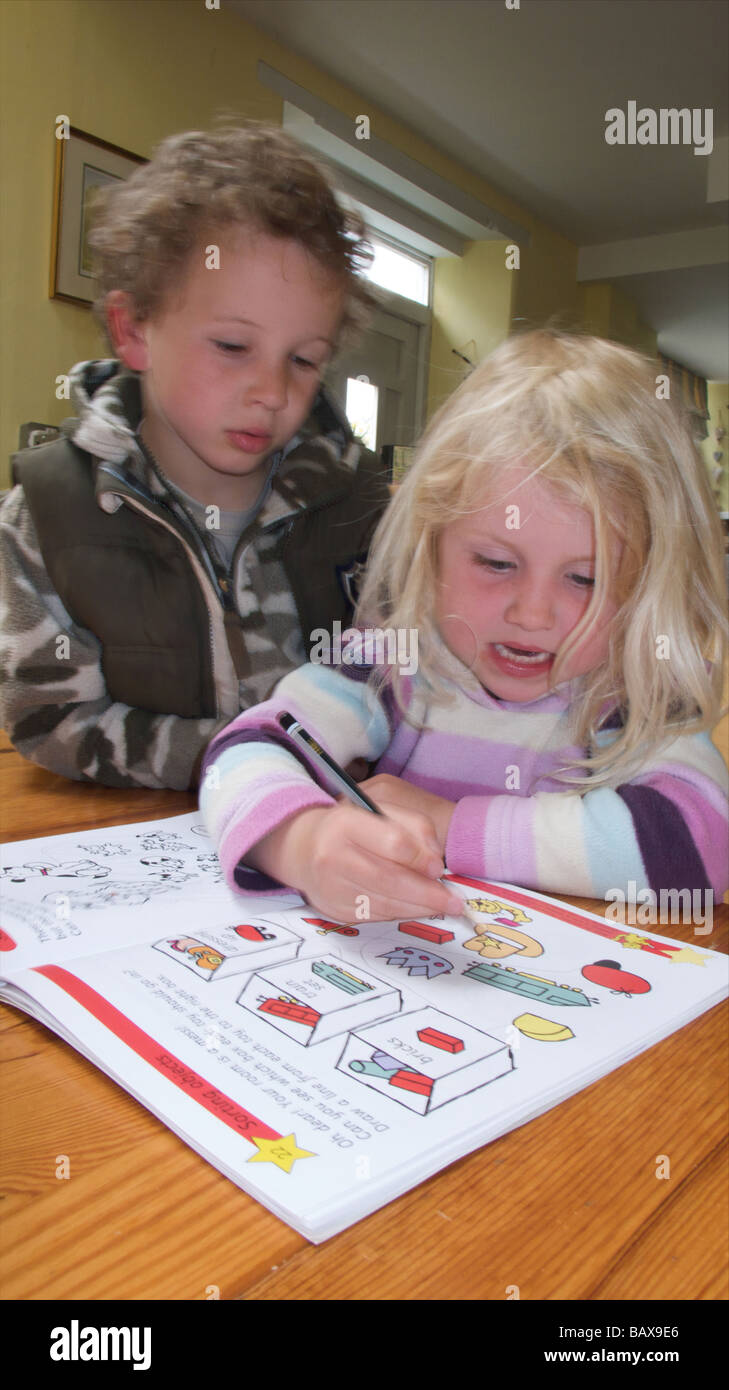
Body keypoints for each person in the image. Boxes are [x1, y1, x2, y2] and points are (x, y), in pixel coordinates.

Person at [199, 328, 729, 923]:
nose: (532, 614)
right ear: (432, 542)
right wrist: (300, 843)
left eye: (585, 579)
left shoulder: (633, 690)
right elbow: (242, 752)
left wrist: (450, 825)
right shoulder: (393, 661)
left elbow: (694, 844)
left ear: (647, 582)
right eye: (496, 563)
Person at [0, 124, 389, 789]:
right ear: (134, 330)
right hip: (136, 844)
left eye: (303, 360)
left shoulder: (366, 509)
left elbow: (402, 687)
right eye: (233, 347)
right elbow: (48, 720)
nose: (271, 392)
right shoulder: (45, 513)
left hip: (332, 834)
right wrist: (248, 760)